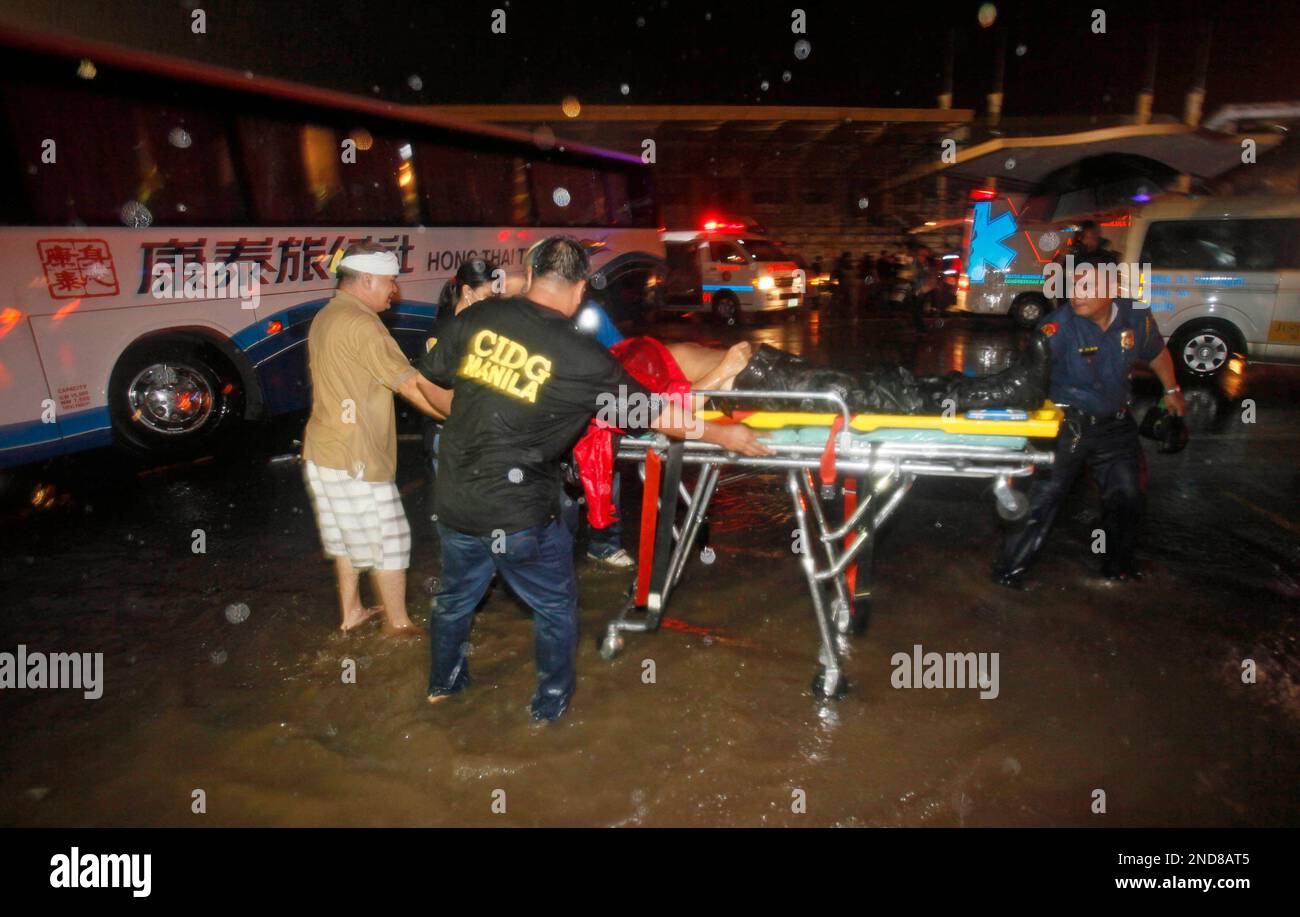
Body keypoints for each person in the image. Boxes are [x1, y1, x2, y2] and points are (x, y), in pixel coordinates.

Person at [416, 236, 771, 721]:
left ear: (530, 271)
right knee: (554, 609)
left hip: (456, 499)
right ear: (581, 287)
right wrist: (724, 437)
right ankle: (549, 710)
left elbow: (432, 373)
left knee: (455, 601)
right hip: (520, 513)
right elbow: (654, 413)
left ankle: (442, 689)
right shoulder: (583, 358)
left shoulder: (478, 319)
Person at [991, 249, 1186, 588]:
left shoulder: (1136, 315)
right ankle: (1009, 573)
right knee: (1040, 501)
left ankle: (1118, 568)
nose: (1075, 293)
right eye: (1073, 284)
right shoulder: (1056, 329)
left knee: (1128, 496)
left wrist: (1171, 391)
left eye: (1087, 284)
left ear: (1112, 287)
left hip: (1115, 424)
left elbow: (1156, 352)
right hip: (1067, 425)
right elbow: (1025, 382)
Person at [301, 243, 450, 635]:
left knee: (349, 539)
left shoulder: (327, 316)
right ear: (366, 279)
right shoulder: (364, 324)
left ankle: (351, 612)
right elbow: (412, 385)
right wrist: (457, 414)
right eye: (389, 280)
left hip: (324, 451)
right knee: (391, 540)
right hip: (356, 456)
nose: (394, 290)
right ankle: (398, 626)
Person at [424, 258, 500, 477]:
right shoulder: (445, 334)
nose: (495, 305)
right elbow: (433, 387)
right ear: (468, 292)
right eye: (489, 297)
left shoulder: (480, 331)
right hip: (453, 438)